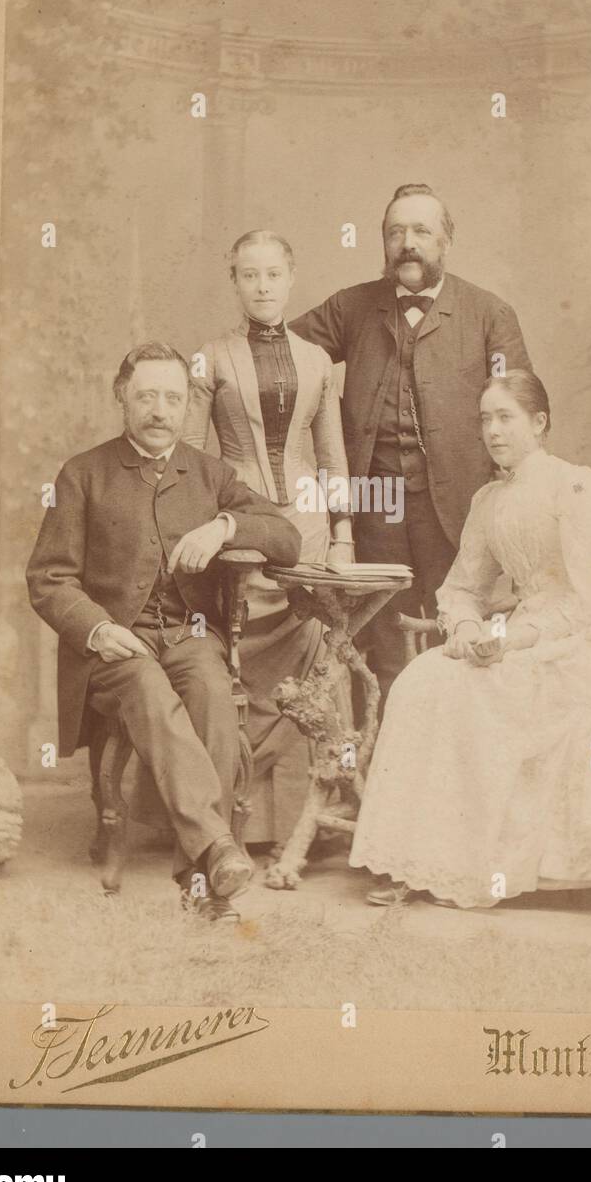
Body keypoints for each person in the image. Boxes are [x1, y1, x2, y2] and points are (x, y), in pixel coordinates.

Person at [349, 370, 591, 909]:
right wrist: (465, 627)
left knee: (493, 691)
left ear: (539, 423)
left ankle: (478, 866)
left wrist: (511, 641)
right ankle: (419, 862)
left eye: (506, 417)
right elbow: (462, 587)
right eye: (485, 419)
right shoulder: (488, 500)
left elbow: (584, 603)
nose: (493, 430)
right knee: (422, 679)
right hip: (517, 631)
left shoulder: (578, 485)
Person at [26, 342, 302, 923]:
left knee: (212, 701)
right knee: (148, 690)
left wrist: (225, 526)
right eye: (146, 395)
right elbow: (49, 579)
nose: (159, 410)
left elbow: (284, 535)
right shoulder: (82, 474)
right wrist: (97, 628)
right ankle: (216, 852)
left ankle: (204, 884)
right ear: (121, 396)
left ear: (185, 406)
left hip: (189, 633)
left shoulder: (209, 474)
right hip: (115, 645)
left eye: (172, 398)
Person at [291, 182, 532, 703]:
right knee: (373, 641)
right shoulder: (352, 307)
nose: (408, 242)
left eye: (421, 230)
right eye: (395, 231)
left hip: (460, 506)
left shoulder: (489, 314)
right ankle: (373, 765)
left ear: (445, 241)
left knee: (459, 634)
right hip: (374, 505)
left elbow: (517, 414)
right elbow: (280, 357)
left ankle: (454, 761)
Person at [185, 231, 353, 843]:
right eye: (249, 275)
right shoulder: (209, 356)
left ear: (291, 277)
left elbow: (333, 458)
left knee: (309, 657)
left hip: (306, 525)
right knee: (237, 660)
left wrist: (342, 536)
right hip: (239, 523)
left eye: (273, 275)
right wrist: (207, 525)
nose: (262, 286)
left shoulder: (317, 361)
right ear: (234, 281)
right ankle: (230, 819)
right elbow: (193, 459)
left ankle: (297, 825)